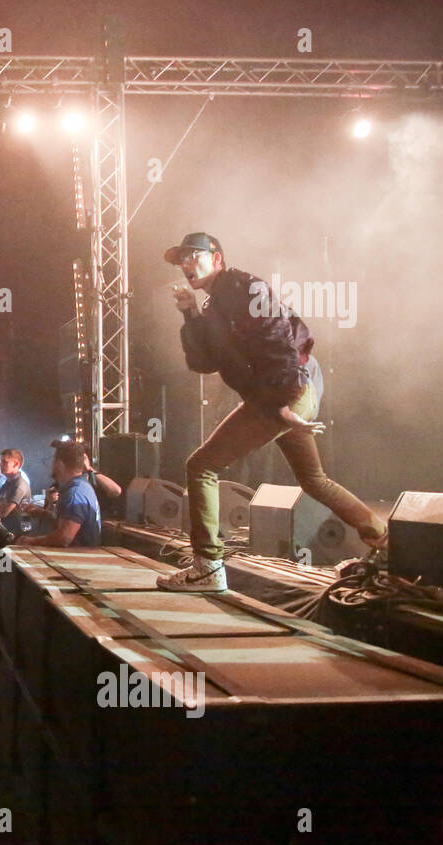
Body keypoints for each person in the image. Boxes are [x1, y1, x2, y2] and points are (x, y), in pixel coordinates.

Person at [159, 232, 386, 591]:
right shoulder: (213, 307)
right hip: (283, 393)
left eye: (193, 255)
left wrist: (282, 405)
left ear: (217, 258)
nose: (186, 264)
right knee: (313, 479)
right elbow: (202, 362)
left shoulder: (244, 287)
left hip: (286, 391)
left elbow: (280, 340)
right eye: (180, 260)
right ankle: (384, 541)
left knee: (201, 466)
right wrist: (189, 314)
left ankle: (207, 568)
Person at [15, 440, 119, 548]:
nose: (51, 465)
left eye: (53, 460)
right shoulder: (80, 487)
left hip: (77, 560)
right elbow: (67, 522)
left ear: (60, 464)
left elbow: (64, 538)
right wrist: (43, 513)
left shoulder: (74, 493)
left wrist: (30, 541)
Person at [0, 448, 33, 534]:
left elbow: (5, 512)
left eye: (4, 462)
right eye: (0, 462)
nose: (0, 464)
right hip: (7, 528)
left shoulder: (20, 485)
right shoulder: (7, 483)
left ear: (15, 464)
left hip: (17, 532)